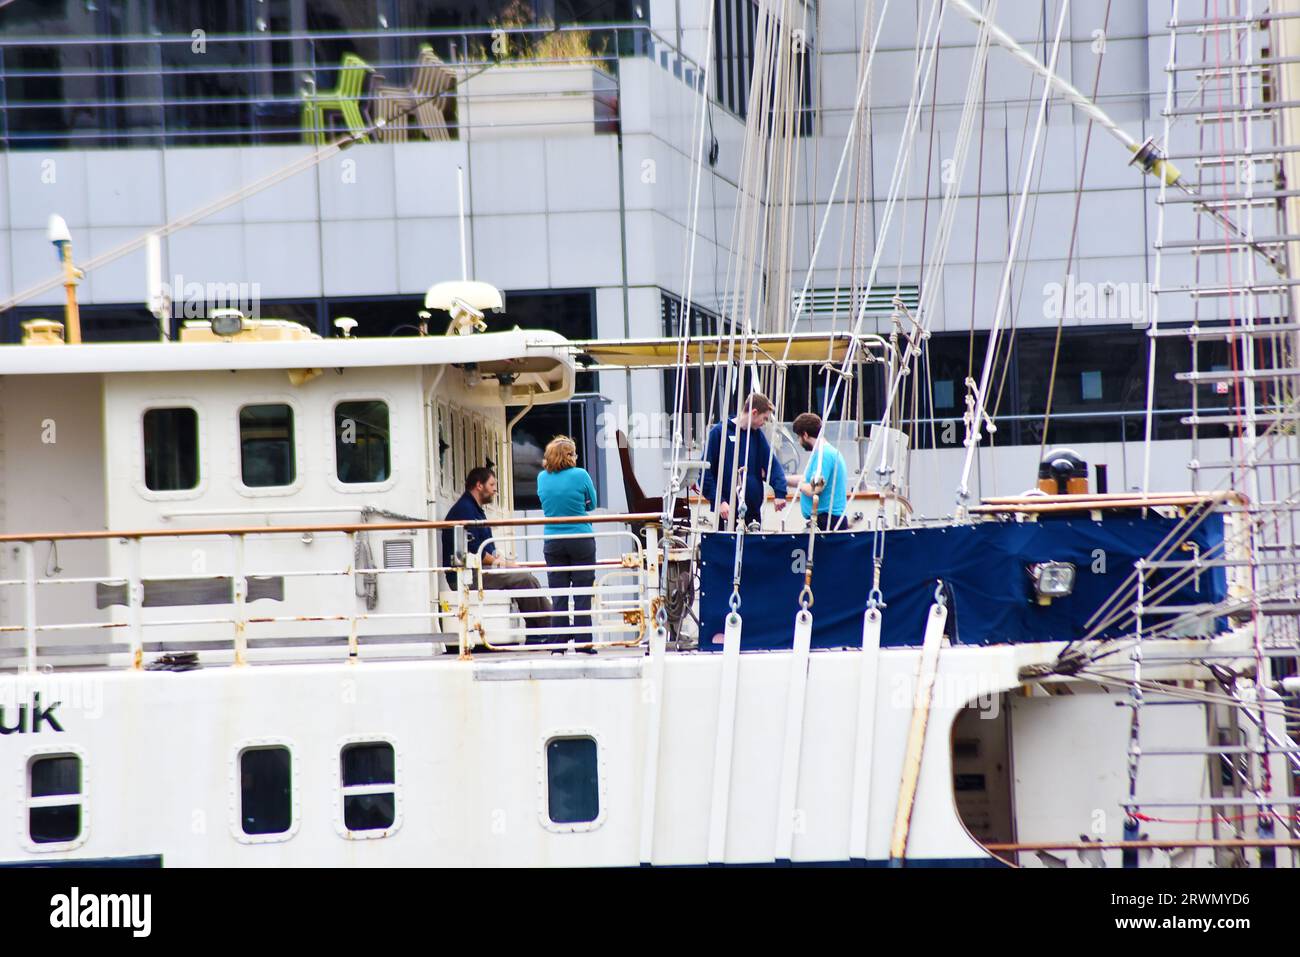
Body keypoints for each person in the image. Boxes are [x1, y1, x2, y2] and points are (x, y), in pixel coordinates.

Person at [442, 466, 552, 640]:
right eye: (492, 484)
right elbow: (474, 552)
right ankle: (550, 628)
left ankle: (540, 630)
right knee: (524, 578)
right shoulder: (465, 510)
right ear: (479, 485)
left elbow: (487, 547)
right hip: (465, 577)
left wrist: (498, 557)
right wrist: (504, 564)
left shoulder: (475, 509)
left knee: (524, 576)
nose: (495, 489)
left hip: (477, 573)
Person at [537, 436, 599, 650]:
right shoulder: (581, 475)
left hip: (553, 541)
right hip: (581, 538)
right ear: (569, 455)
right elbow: (593, 504)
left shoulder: (541, 478)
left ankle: (558, 645)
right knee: (582, 593)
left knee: (559, 594)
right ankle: (583, 644)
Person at [701, 392, 790, 529]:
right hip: (728, 512)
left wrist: (780, 492)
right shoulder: (719, 433)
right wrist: (719, 502)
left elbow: (771, 464)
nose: (764, 423)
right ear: (754, 412)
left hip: (753, 511)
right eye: (764, 418)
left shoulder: (756, 436)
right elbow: (704, 472)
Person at [790, 412, 848, 530]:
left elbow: (815, 488)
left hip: (827, 521)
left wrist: (800, 485)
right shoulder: (825, 453)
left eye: (798, 437)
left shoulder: (824, 455)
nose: (799, 442)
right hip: (828, 519)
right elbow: (806, 479)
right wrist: (780, 478)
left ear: (805, 435)